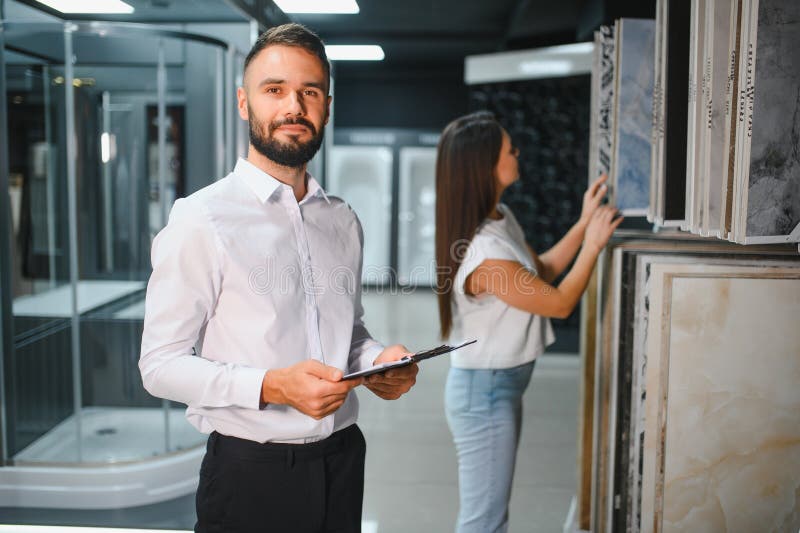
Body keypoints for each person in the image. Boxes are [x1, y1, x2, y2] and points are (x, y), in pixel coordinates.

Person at [139, 23, 418, 533]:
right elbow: (159, 366)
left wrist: (376, 360)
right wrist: (272, 385)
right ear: (244, 104)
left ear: (327, 107)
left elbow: (346, 333)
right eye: (275, 90)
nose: (294, 107)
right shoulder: (202, 218)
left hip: (342, 460)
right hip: (250, 473)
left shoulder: (342, 219)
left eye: (309, 92)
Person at [434, 111, 621, 533]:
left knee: (488, 517)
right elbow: (557, 303)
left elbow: (543, 271)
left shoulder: (500, 218)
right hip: (484, 394)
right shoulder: (483, 255)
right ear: (485, 166)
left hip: (500, 386)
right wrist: (592, 246)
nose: (518, 153)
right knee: (485, 522)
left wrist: (583, 224)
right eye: (509, 149)